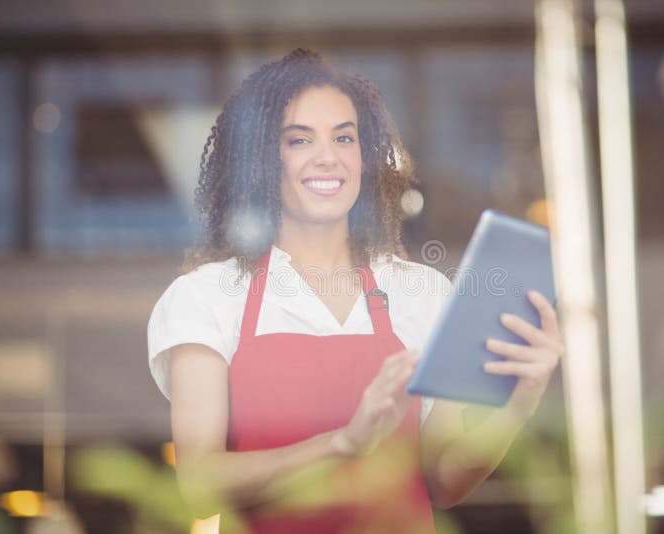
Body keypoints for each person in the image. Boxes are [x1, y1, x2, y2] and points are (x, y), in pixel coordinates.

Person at [147, 48, 563, 533]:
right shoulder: (208, 298)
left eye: (344, 138)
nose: (328, 157)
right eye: (299, 140)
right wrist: (344, 442)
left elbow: (445, 481)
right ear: (262, 160)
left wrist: (520, 401)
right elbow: (199, 483)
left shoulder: (420, 292)